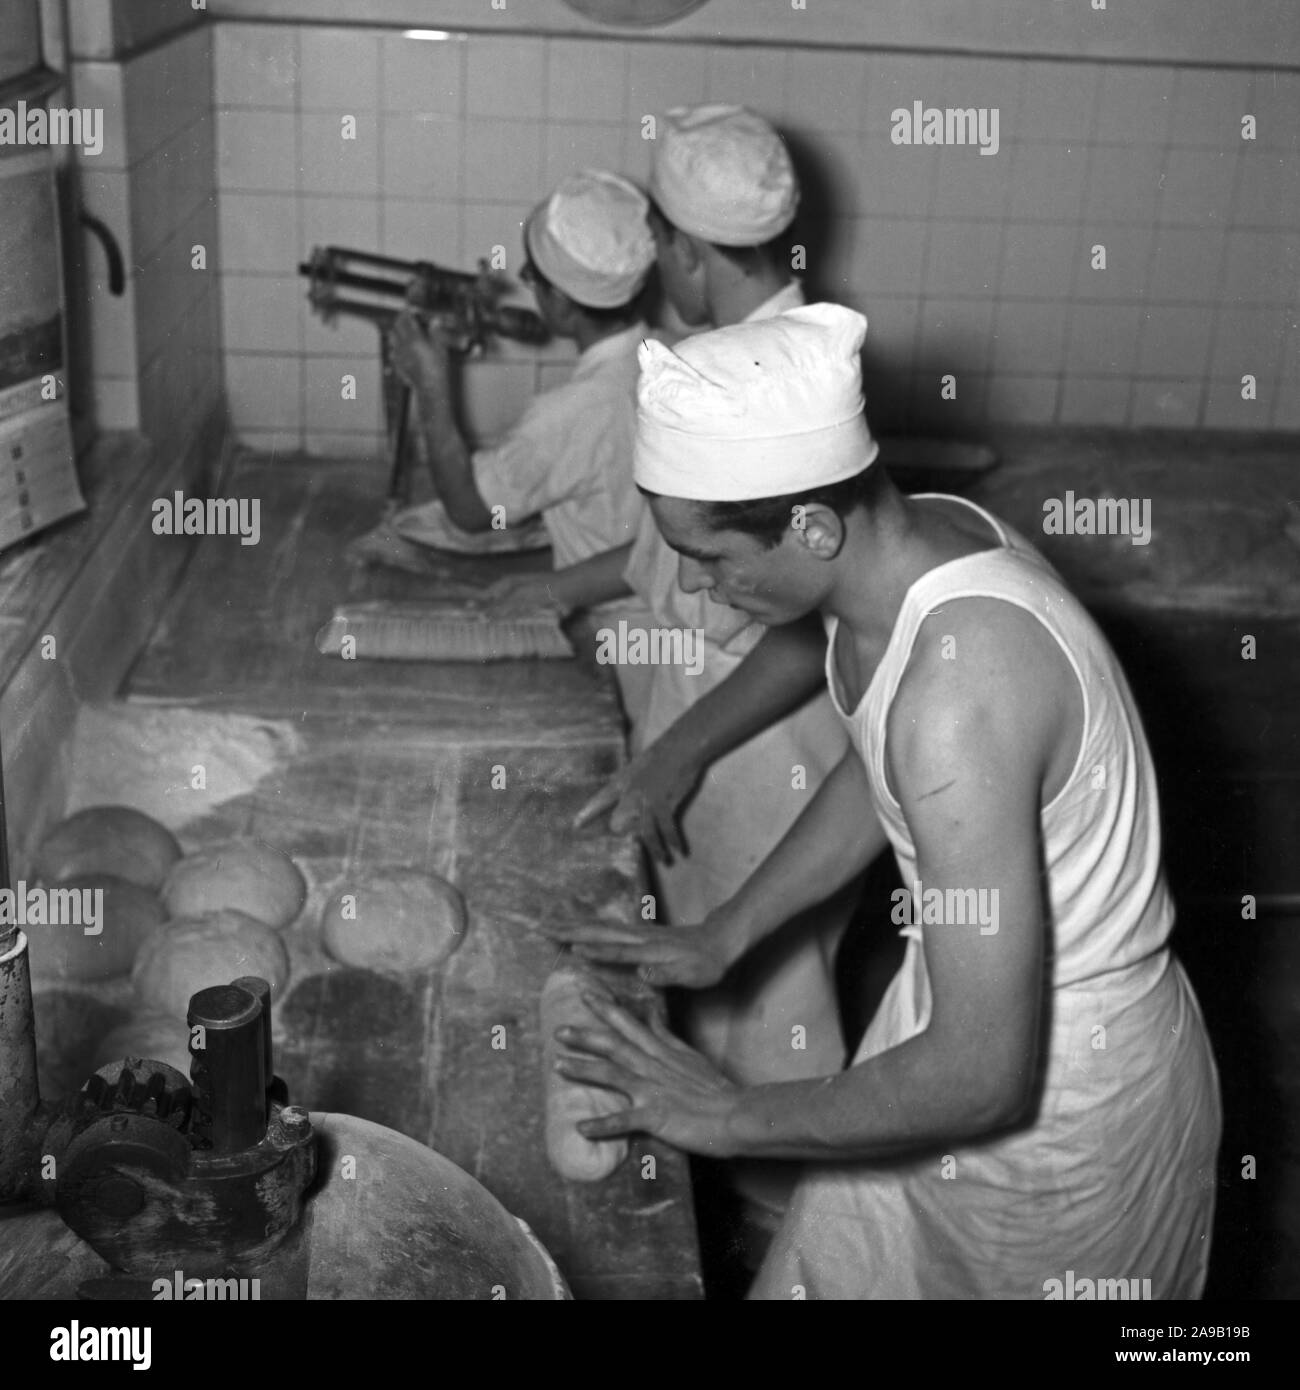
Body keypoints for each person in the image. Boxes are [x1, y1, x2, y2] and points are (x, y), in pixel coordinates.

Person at [545, 303, 1223, 1300]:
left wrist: (724, 1113)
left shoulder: (962, 691)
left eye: (713, 559)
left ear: (814, 526)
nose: (697, 588)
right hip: (954, 1014)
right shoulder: (929, 539)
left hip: (1050, 1104)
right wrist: (724, 936)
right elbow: (880, 771)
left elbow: (981, 1074)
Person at [493, 108, 863, 1247]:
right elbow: (672, 549)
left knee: (769, 1027)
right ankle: (716, 1216)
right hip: (698, 733)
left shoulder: (791, 382)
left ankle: (796, 1246)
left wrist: (674, 751)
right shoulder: (716, 362)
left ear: (692, 253)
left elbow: (812, 628)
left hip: (762, 758)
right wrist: (557, 591)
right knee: (695, 1011)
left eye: (666, 247)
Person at [388, 168, 659, 723]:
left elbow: (467, 513)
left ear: (560, 305)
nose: (520, 280)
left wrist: (433, 385)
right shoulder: (672, 357)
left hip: (624, 640)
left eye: (532, 275)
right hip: (673, 616)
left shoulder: (573, 411)